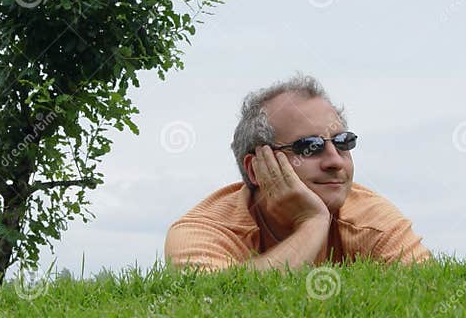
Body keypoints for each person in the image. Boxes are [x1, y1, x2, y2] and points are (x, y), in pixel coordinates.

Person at [164, 74, 431, 271]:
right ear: (256, 169)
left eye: (342, 142)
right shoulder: (204, 231)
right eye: (309, 146)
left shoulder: (371, 220)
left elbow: (428, 292)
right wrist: (312, 222)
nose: (335, 161)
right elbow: (213, 299)